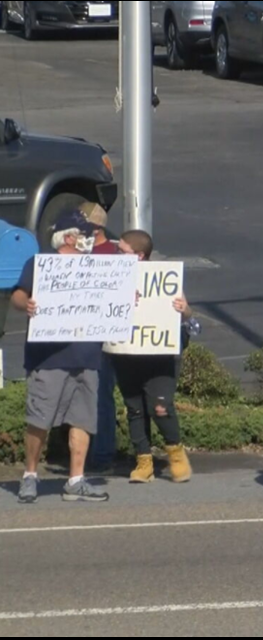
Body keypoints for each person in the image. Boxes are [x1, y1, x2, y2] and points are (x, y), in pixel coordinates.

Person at [12, 211, 109, 503]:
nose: (90, 239)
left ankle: (76, 480)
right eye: (85, 235)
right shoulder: (41, 264)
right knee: (40, 418)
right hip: (48, 356)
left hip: (87, 354)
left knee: (83, 419)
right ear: (68, 237)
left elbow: (112, 294)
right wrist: (26, 304)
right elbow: (18, 293)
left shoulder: (97, 267)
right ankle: (30, 475)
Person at [112, 230, 195, 483]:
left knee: (160, 407)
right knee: (135, 409)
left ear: (139, 255)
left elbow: (188, 315)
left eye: (122, 251)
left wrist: (184, 310)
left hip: (160, 356)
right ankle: (143, 461)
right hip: (127, 354)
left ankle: (176, 453)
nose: (118, 255)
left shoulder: (162, 277)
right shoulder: (114, 277)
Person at [79, 201, 119, 472]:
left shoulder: (117, 253)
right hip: (79, 334)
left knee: (101, 394)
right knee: (84, 394)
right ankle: (87, 453)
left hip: (106, 337)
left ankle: (102, 454)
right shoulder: (76, 252)